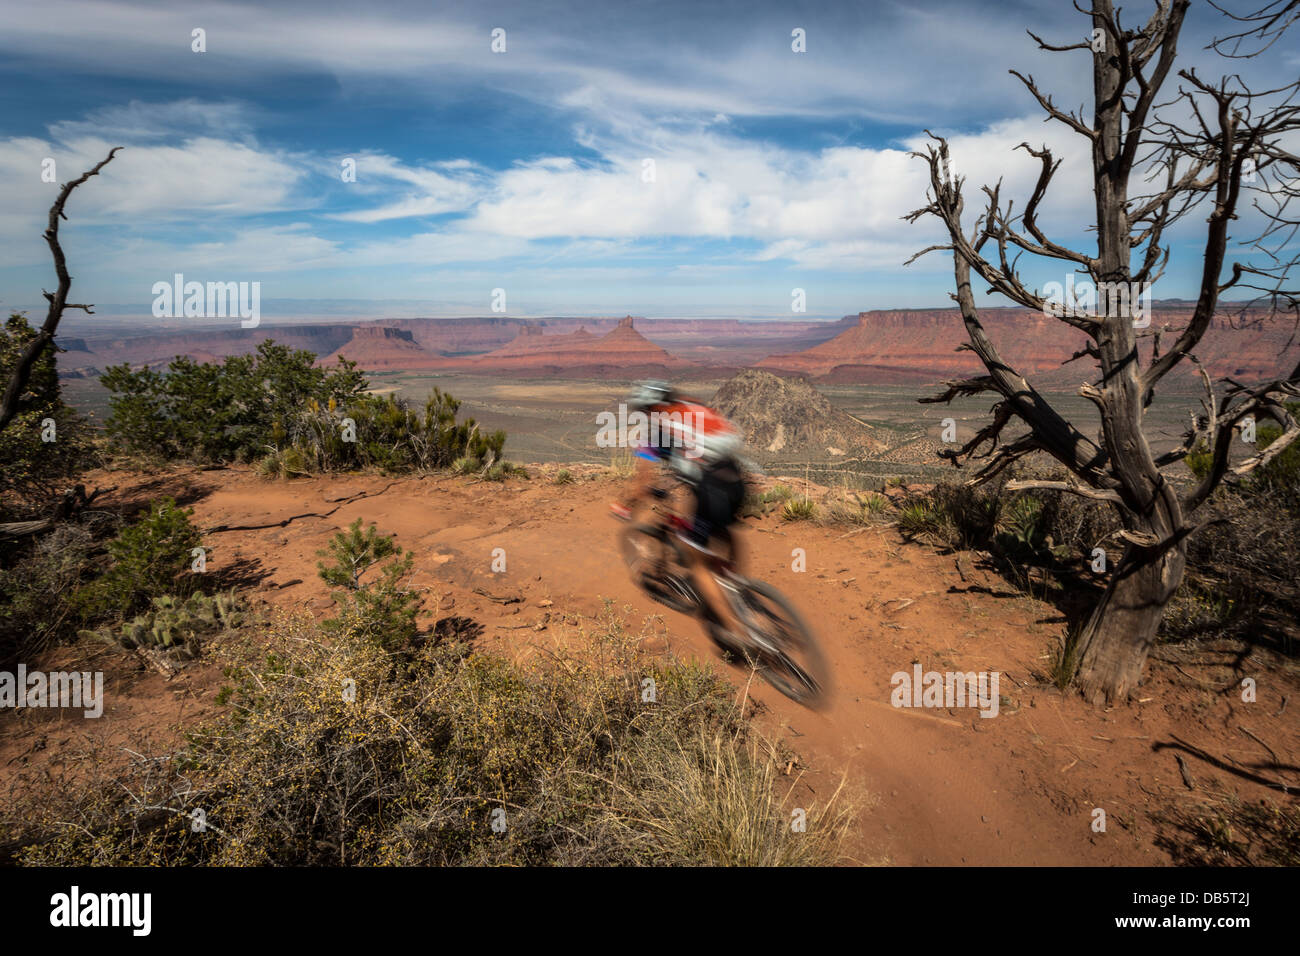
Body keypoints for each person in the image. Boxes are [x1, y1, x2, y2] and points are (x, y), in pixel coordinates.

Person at [611, 381, 750, 652]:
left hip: (711, 488)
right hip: (736, 479)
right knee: (721, 529)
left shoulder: (655, 432)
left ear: (650, 409)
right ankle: (737, 583)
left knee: (696, 563)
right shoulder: (694, 407)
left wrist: (625, 505)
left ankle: (737, 632)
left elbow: (642, 485)